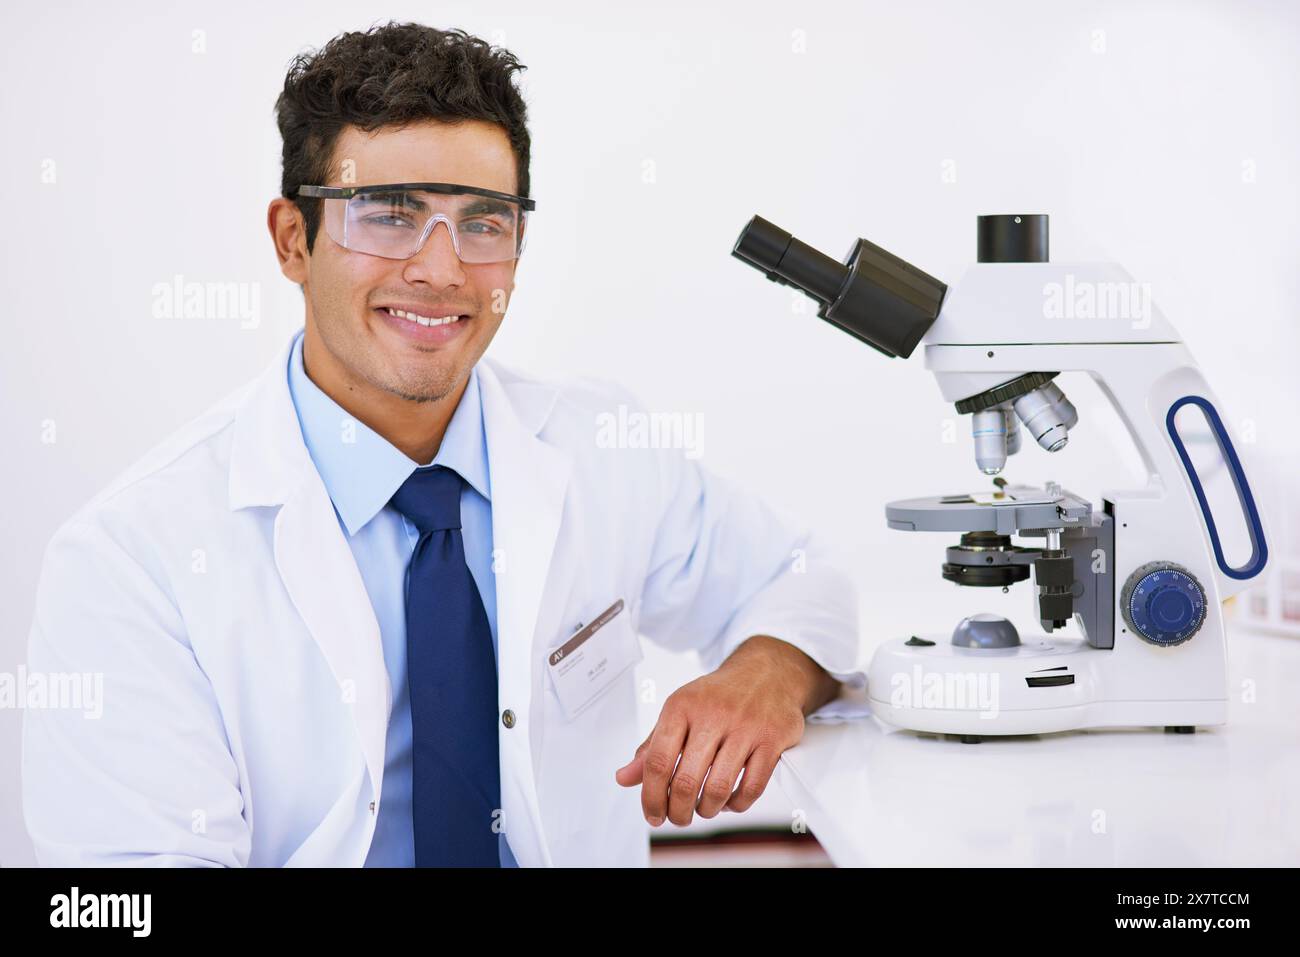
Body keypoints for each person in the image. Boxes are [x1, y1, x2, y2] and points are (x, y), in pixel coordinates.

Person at [22, 21, 863, 867]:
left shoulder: (599, 444)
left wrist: (765, 675)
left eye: (483, 223)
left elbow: (803, 581)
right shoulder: (131, 559)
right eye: (389, 216)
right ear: (291, 240)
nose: (442, 270)